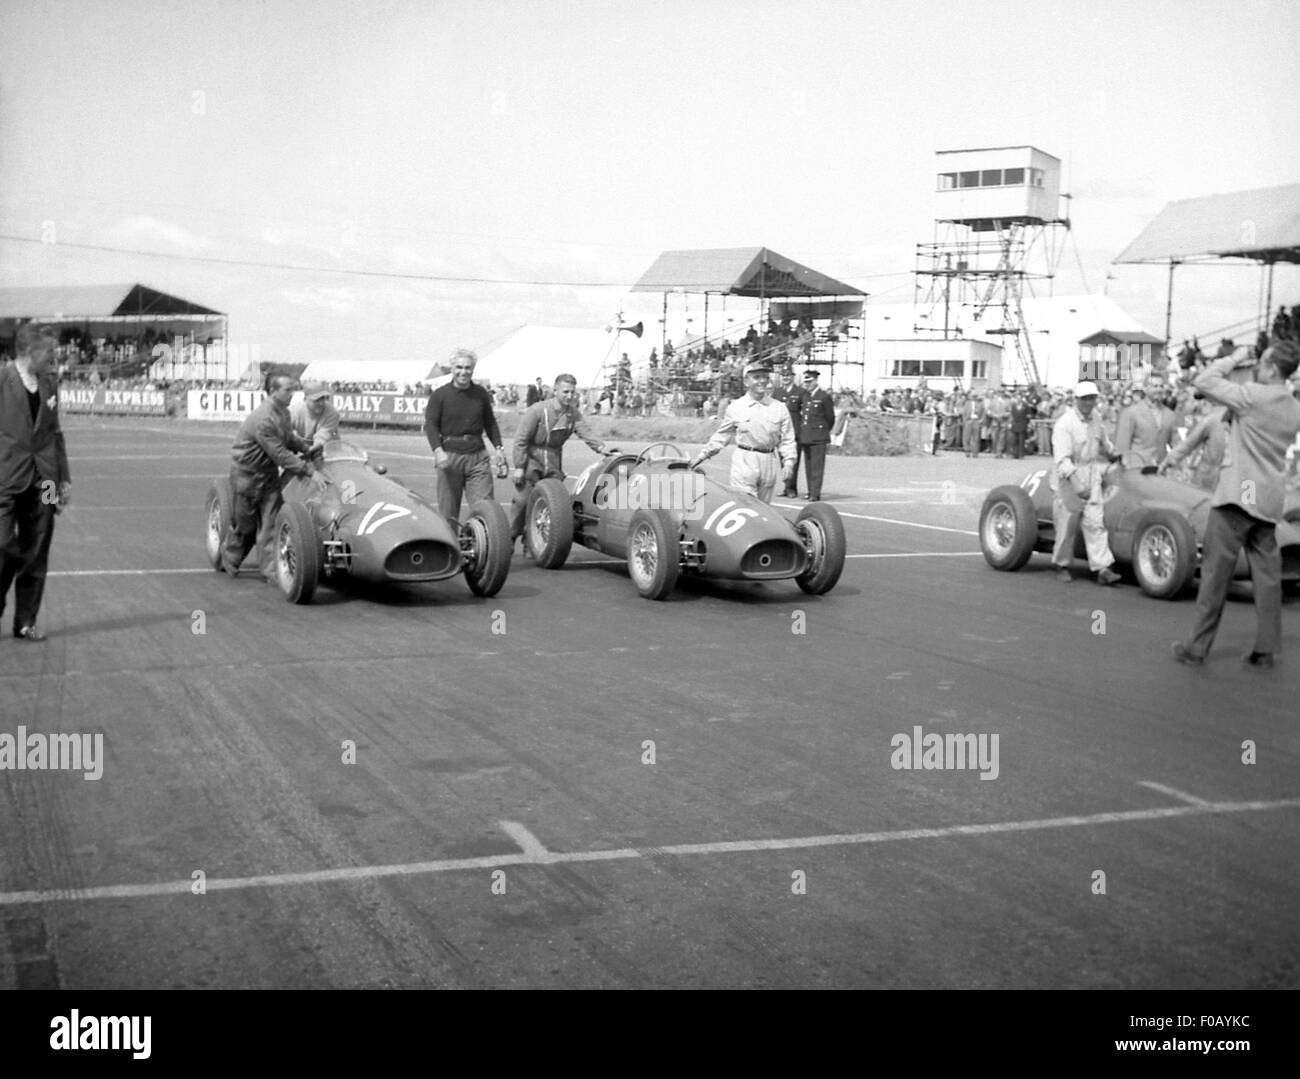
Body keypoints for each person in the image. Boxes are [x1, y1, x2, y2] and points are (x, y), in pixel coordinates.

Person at [1172, 341, 1300, 668]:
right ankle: (1266, 648)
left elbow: (1203, 381)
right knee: (1267, 579)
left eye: (1263, 361)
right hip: (1269, 500)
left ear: (1272, 367)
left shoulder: (1253, 396)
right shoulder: (1293, 407)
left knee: (1215, 575)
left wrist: (1233, 358)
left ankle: (1196, 648)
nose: (1258, 364)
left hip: (1238, 495)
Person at [0, 323, 70, 641]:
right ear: (29, 351)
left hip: (45, 479)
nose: (53, 358)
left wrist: (63, 479)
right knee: (5, 548)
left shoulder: (50, 383)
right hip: (6, 477)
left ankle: (26, 621)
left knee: (37, 548)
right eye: (48, 352)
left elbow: (54, 433)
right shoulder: (2, 381)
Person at [222, 375, 327, 582]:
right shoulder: (264, 419)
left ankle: (271, 571)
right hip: (247, 476)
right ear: (272, 391)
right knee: (245, 526)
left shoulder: (283, 413)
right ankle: (230, 558)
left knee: (271, 524)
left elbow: (288, 439)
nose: (292, 394)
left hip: (268, 474)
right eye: (288, 390)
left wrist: (306, 449)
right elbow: (279, 453)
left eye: (293, 389)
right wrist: (309, 470)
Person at [510, 373, 607, 549]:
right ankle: (510, 538)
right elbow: (521, 439)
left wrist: (602, 448)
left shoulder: (573, 413)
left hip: (554, 460)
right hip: (532, 460)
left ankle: (531, 542)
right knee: (523, 502)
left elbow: (585, 432)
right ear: (555, 390)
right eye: (565, 392)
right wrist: (519, 466)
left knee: (551, 504)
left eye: (572, 392)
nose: (569, 396)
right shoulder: (538, 410)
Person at [689, 361, 796, 504]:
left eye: (765, 377)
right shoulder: (736, 407)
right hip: (745, 461)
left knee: (765, 510)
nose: (762, 381)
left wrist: (789, 462)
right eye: (757, 377)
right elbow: (722, 436)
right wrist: (702, 456)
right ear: (746, 381)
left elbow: (787, 439)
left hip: (768, 460)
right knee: (745, 506)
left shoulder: (779, 408)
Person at [1050, 381, 1122, 585]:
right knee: (1067, 524)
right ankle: (1062, 564)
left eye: (1092, 398)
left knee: (1095, 522)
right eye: (1085, 399)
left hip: (1091, 471)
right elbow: (1062, 459)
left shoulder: (1097, 419)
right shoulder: (1065, 424)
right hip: (1068, 476)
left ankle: (1102, 568)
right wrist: (1076, 484)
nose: (1089, 402)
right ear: (1076, 400)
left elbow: (1104, 443)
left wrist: (1114, 454)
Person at [424, 349, 507, 524]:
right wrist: (438, 451)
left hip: (478, 457)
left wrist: (499, 448)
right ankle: (451, 548)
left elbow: (490, 422)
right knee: (448, 512)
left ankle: (481, 547)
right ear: (452, 369)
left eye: (468, 368)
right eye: (459, 367)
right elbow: (431, 425)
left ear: (473, 369)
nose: (464, 372)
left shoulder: (481, 394)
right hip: (449, 458)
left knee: (485, 509)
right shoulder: (440, 395)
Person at [1114, 375, 1176, 468]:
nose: (1159, 390)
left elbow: (1176, 443)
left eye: (1161, 386)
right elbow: (1122, 446)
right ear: (1145, 389)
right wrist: (1124, 465)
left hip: (1160, 468)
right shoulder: (1131, 412)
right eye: (1155, 386)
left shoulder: (1169, 414)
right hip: (1136, 467)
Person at [795, 368, 835, 500]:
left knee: (817, 467)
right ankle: (810, 490)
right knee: (808, 466)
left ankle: (815, 493)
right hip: (806, 435)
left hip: (818, 436)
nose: (807, 384)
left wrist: (823, 430)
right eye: (806, 382)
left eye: (810, 381)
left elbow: (830, 418)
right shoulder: (805, 396)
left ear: (816, 381)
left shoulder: (823, 397)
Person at [770, 368, 803, 497]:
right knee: (782, 461)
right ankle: (786, 486)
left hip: (794, 431)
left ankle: (792, 488)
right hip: (781, 432)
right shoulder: (777, 393)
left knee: (793, 460)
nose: (786, 378)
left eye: (788, 376)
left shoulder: (800, 392)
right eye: (783, 376)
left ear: (793, 377)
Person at [290, 380, 340, 446]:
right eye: (316, 400)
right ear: (305, 399)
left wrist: (312, 449)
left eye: (323, 398)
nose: (321, 403)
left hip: (328, 448)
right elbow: (282, 430)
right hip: (302, 447)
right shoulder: (295, 411)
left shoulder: (332, 413)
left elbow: (323, 435)